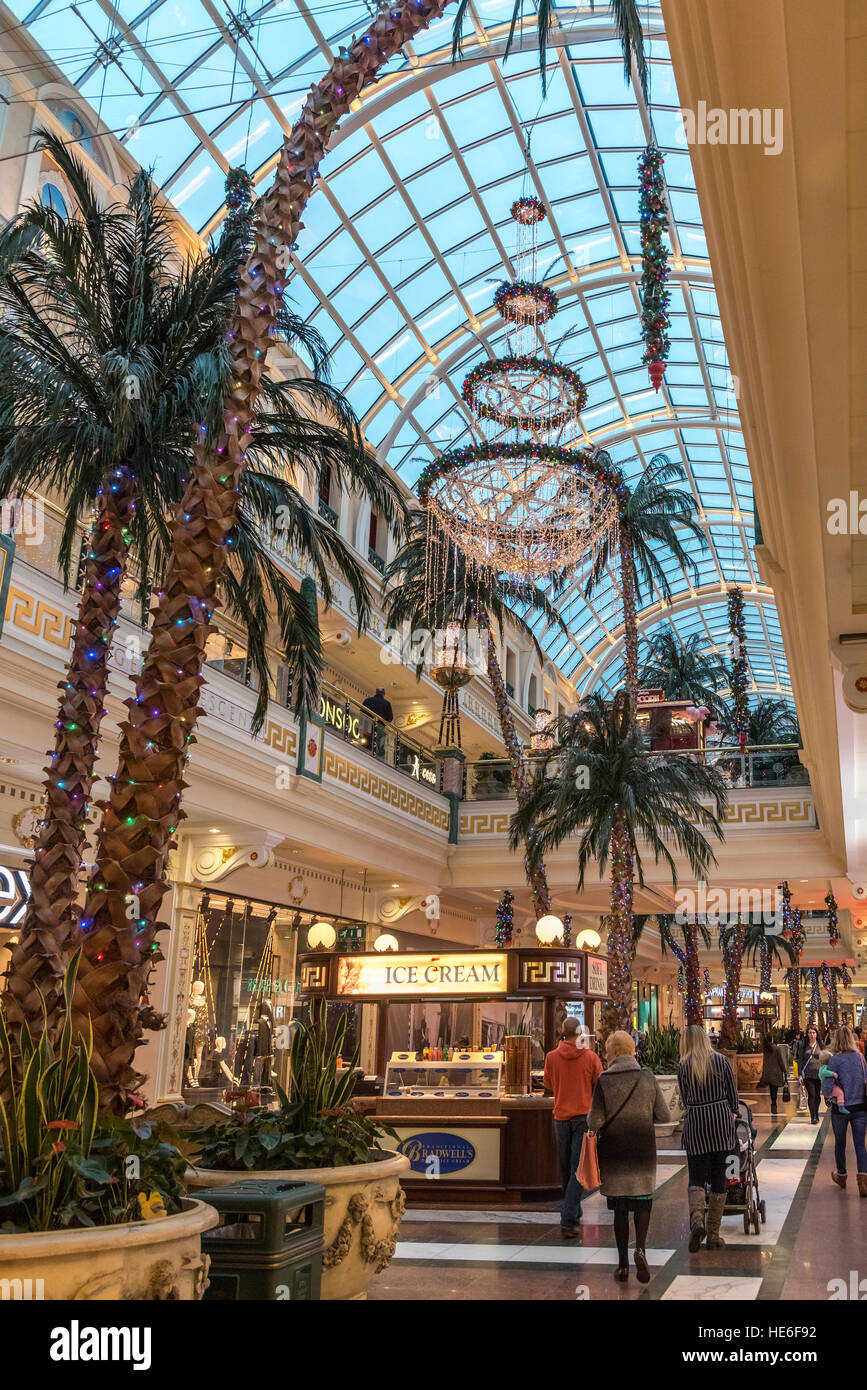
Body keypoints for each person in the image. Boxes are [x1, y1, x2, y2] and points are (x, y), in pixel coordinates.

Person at [586, 1030, 669, 1283]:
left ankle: (622, 1265)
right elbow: (664, 1116)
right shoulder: (647, 1077)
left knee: (620, 1209)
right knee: (642, 1203)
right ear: (633, 1050)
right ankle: (641, 1250)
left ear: (611, 1053)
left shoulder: (604, 1080)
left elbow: (594, 1121)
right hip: (642, 1151)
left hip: (615, 1153)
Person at [678, 1024, 739, 1251]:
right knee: (718, 1179)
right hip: (720, 1123)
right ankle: (713, 1235)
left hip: (696, 1125)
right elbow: (733, 1096)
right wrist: (734, 1111)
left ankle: (696, 1223)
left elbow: (685, 1099)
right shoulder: (722, 1061)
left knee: (696, 1176)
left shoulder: (683, 1066)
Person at [543, 1017, 603, 1238]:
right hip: (582, 1118)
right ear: (580, 1034)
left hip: (560, 1118)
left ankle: (574, 1211)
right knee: (578, 1169)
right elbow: (600, 1083)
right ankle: (568, 1220)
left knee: (565, 1167)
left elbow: (548, 1084)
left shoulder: (551, 1057)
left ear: (562, 1032)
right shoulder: (590, 1057)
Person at [820, 1026, 867, 1193]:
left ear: (836, 1040)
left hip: (840, 1110)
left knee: (840, 1144)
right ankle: (863, 1182)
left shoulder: (834, 1060)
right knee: (860, 1145)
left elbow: (826, 1089)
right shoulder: (861, 1058)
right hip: (861, 1107)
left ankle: (841, 1175)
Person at [795, 1025, 823, 1123]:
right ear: (807, 1034)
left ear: (816, 1034)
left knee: (818, 1096)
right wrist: (799, 1074)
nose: (811, 1035)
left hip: (819, 1074)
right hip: (807, 1075)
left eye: (813, 1033)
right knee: (812, 1095)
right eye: (810, 1033)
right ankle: (813, 1116)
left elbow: (825, 1058)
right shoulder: (803, 1045)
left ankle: (816, 1112)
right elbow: (800, 1060)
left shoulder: (820, 1044)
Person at [759, 1034, 789, 1115]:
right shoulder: (776, 1048)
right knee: (774, 1090)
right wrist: (784, 1071)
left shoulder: (765, 1049)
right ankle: (774, 1105)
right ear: (772, 1039)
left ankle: (773, 1103)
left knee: (771, 1090)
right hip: (776, 1073)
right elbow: (781, 1061)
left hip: (768, 1073)